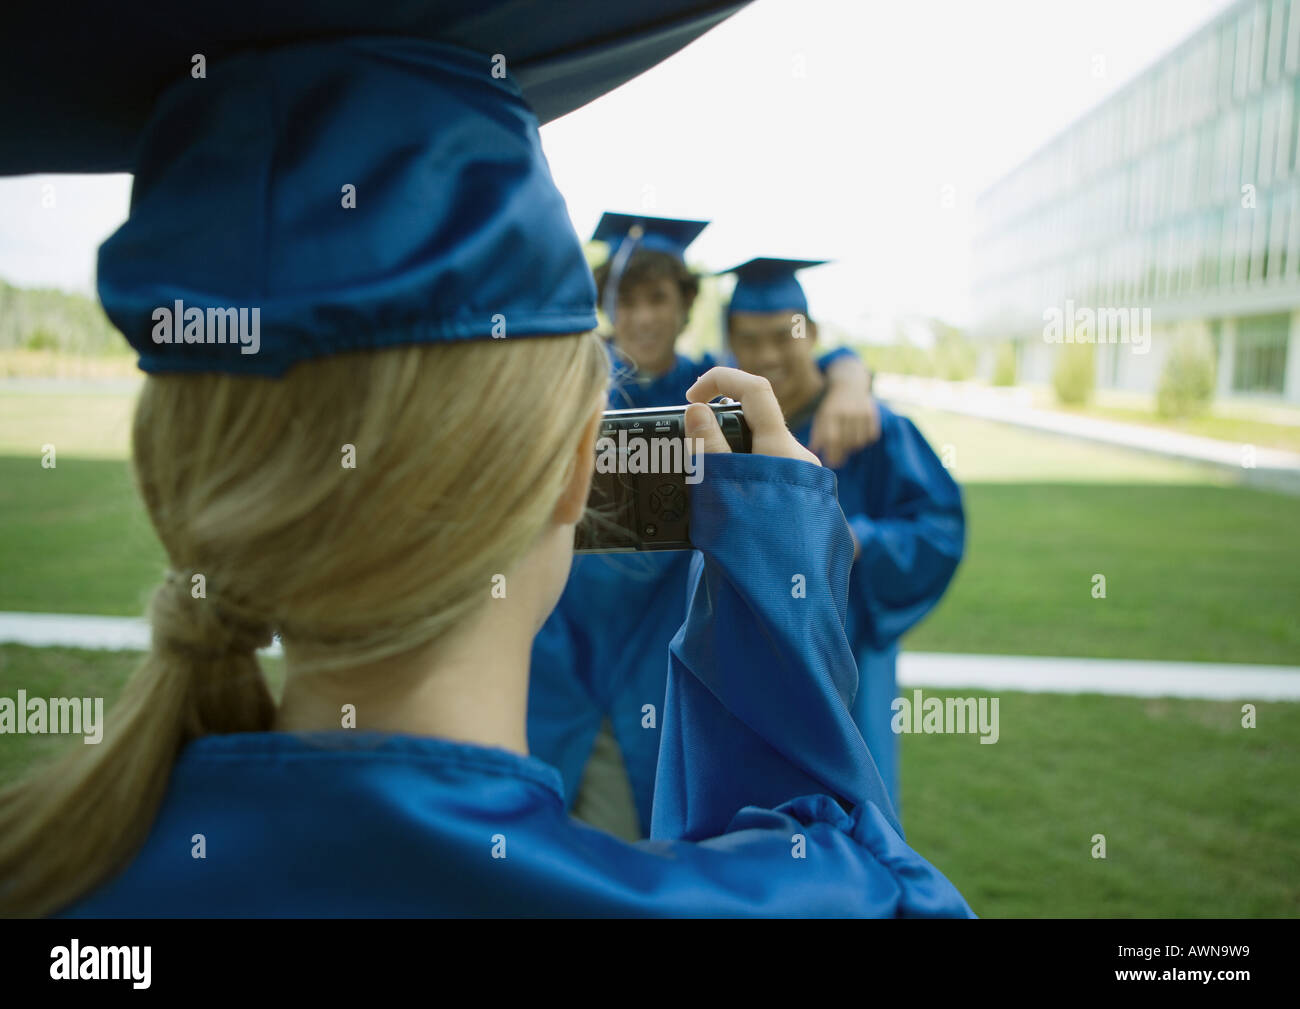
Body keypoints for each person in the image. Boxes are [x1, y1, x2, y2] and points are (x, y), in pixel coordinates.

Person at [0, 36, 973, 917]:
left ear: (186, 483)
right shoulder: (777, 897)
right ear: (574, 466)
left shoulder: (46, 869)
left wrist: (848, 375)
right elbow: (857, 869)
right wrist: (783, 566)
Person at [528, 212, 880, 839]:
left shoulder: (708, 400)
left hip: (654, 648)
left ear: (686, 306)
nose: (641, 317)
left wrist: (852, 373)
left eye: (658, 298)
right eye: (627, 299)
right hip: (563, 646)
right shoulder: (568, 386)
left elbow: (800, 369)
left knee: (646, 833)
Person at [722, 257, 966, 812]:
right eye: (748, 340)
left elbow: (940, 531)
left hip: (846, 660)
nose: (766, 356)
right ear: (730, 343)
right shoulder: (724, 430)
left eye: (784, 335)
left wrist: (856, 542)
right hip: (749, 667)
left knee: (854, 815)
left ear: (813, 334)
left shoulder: (870, 428)